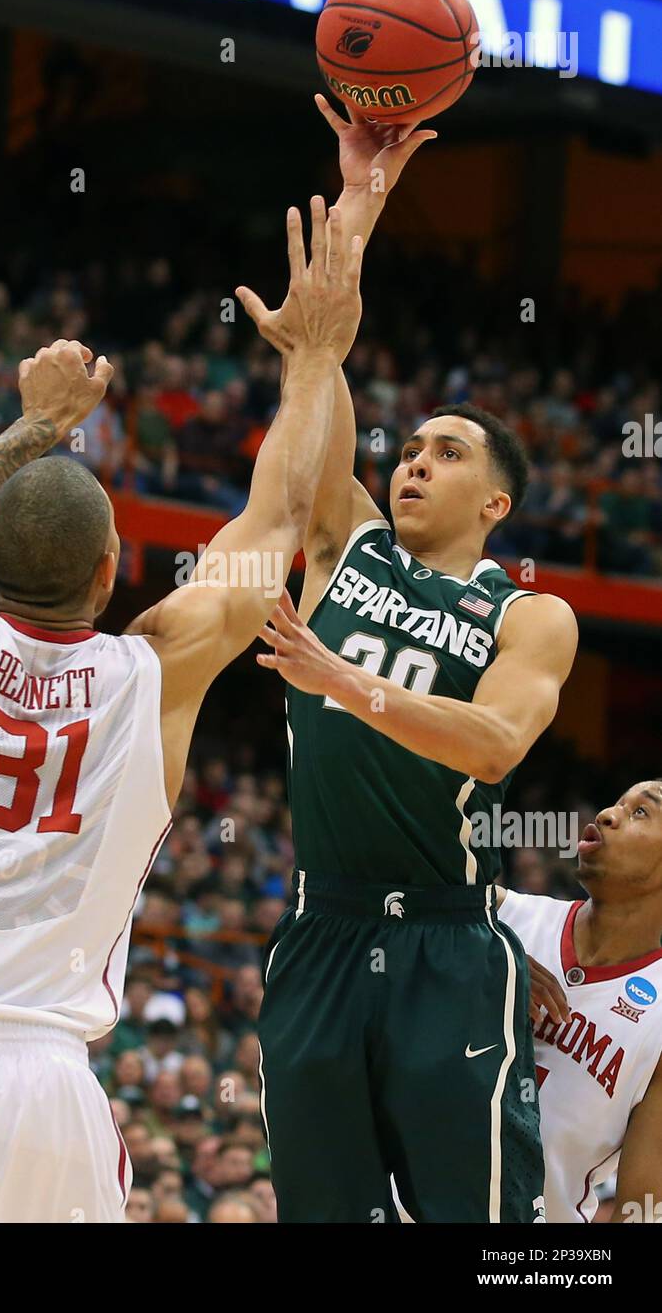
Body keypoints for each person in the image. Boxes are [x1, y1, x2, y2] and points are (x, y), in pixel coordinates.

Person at [0, 198, 365, 1222]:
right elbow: (279, 514)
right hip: (43, 1087)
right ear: (113, 572)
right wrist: (313, 353)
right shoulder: (155, 670)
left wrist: (37, 427)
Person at [245, 99, 579, 1223]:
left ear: (493, 500)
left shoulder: (526, 615)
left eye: (447, 453)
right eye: (410, 448)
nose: (414, 463)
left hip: (445, 939)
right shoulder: (342, 541)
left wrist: (340, 682)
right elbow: (322, 357)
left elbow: (489, 747)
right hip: (319, 927)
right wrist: (362, 196)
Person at [497, 780, 662, 1223]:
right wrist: (482, 959)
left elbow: (640, 1211)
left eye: (641, 812)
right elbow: (374, 918)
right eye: (617, 803)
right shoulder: (494, 917)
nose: (608, 814)